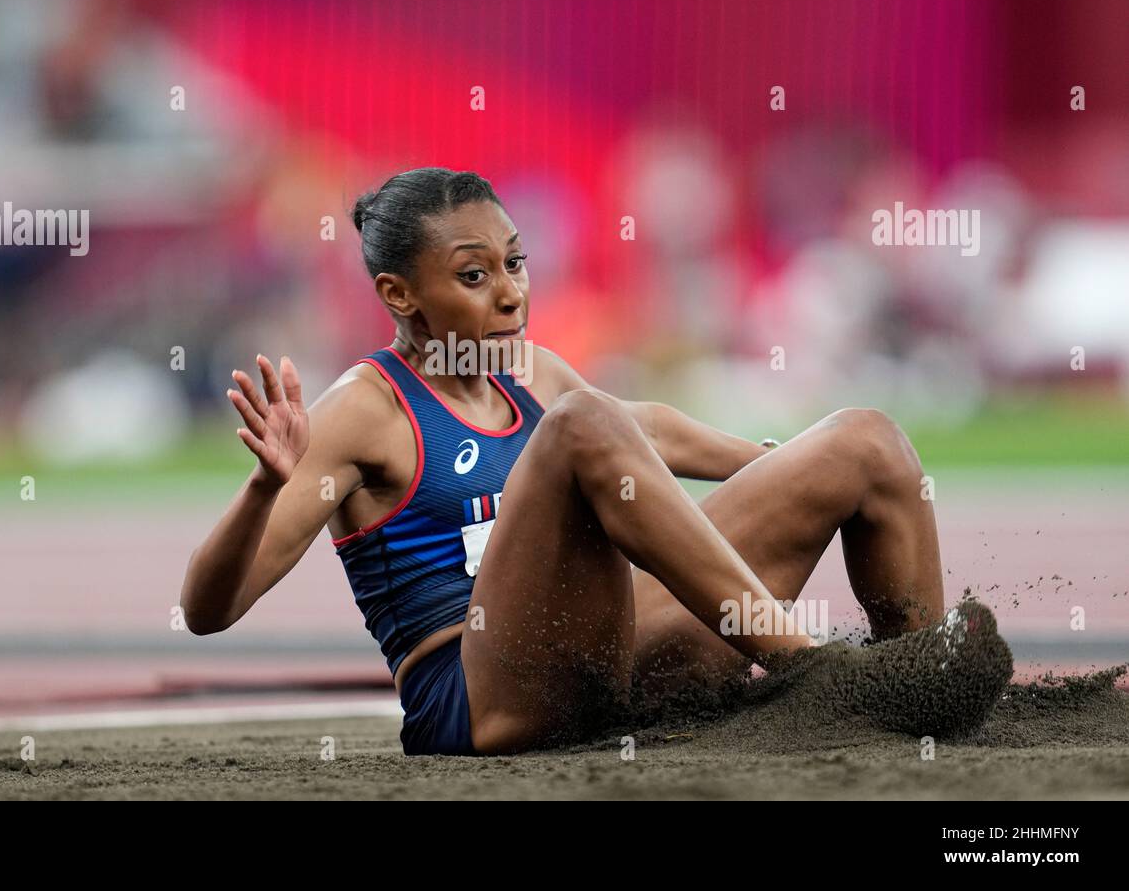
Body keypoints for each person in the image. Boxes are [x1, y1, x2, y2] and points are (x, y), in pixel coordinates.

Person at [181, 168, 945, 756]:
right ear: (400, 294)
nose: (511, 294)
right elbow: (207, 613)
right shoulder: (362, 411)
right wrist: (262, 488)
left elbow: (648, 432)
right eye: (475, 276)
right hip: (481, 700)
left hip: (606, 663)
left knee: (863, 441)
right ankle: (810, 668)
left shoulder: (536, 376)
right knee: (582, 423)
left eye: (516, 263)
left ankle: (929, 686)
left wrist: (790, 465)